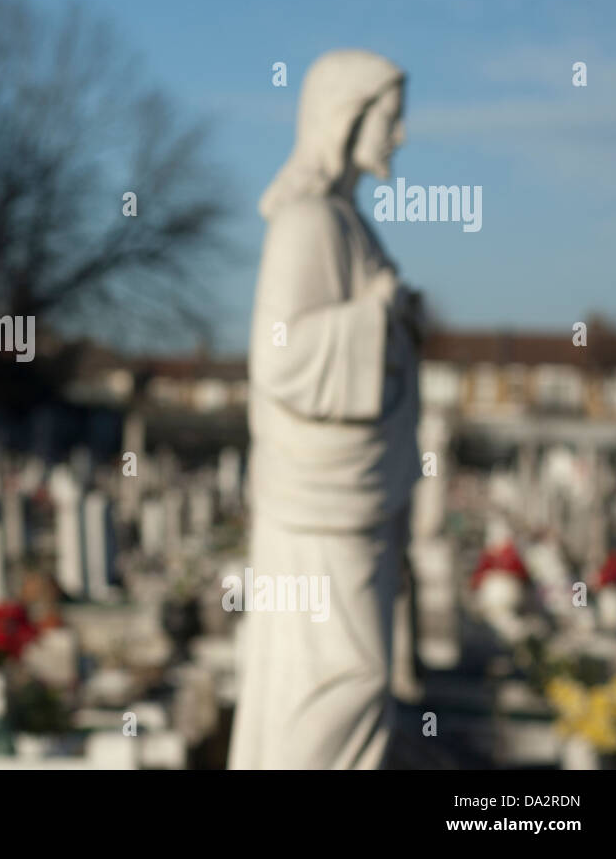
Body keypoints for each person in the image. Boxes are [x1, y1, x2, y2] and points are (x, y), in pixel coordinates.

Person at [228, 49, 424, 769]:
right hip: (320, 501)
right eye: (389, 119)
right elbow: (278, 356)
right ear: (344, 120)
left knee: (355, 680)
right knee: (348, 677)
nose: (400, 136)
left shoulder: (351, 225)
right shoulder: (308, 223)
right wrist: (375, 318)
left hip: (357, 494)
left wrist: (395, 326)